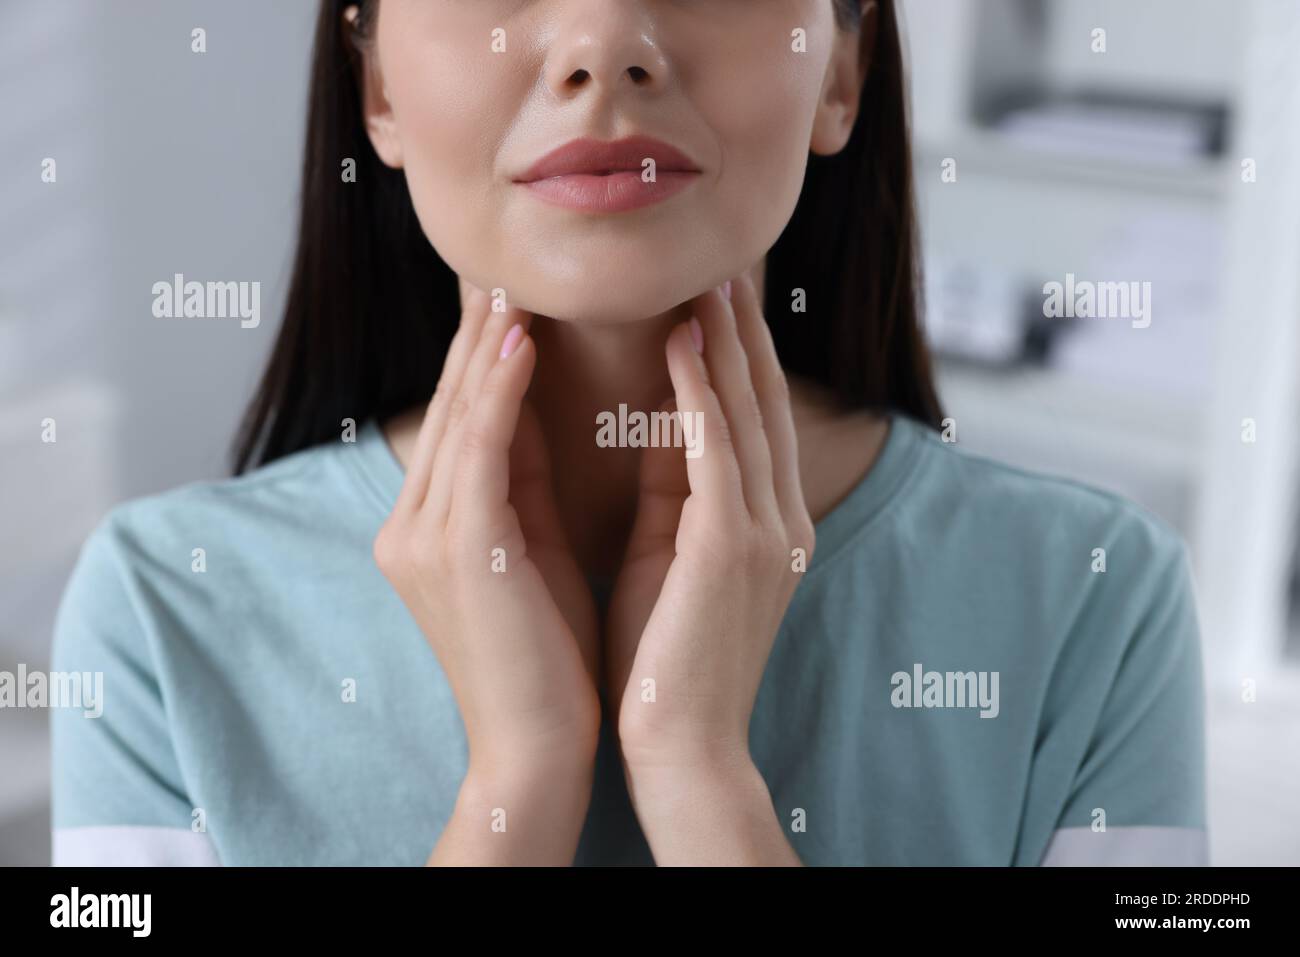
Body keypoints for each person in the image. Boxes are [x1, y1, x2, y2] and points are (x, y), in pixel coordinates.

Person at [50, 0, 1207, 866]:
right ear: (379, 93)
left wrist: (700, 778)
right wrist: (522, 775)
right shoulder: (158, 610)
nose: (604, 45)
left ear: (842, 64)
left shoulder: (1101, 601)